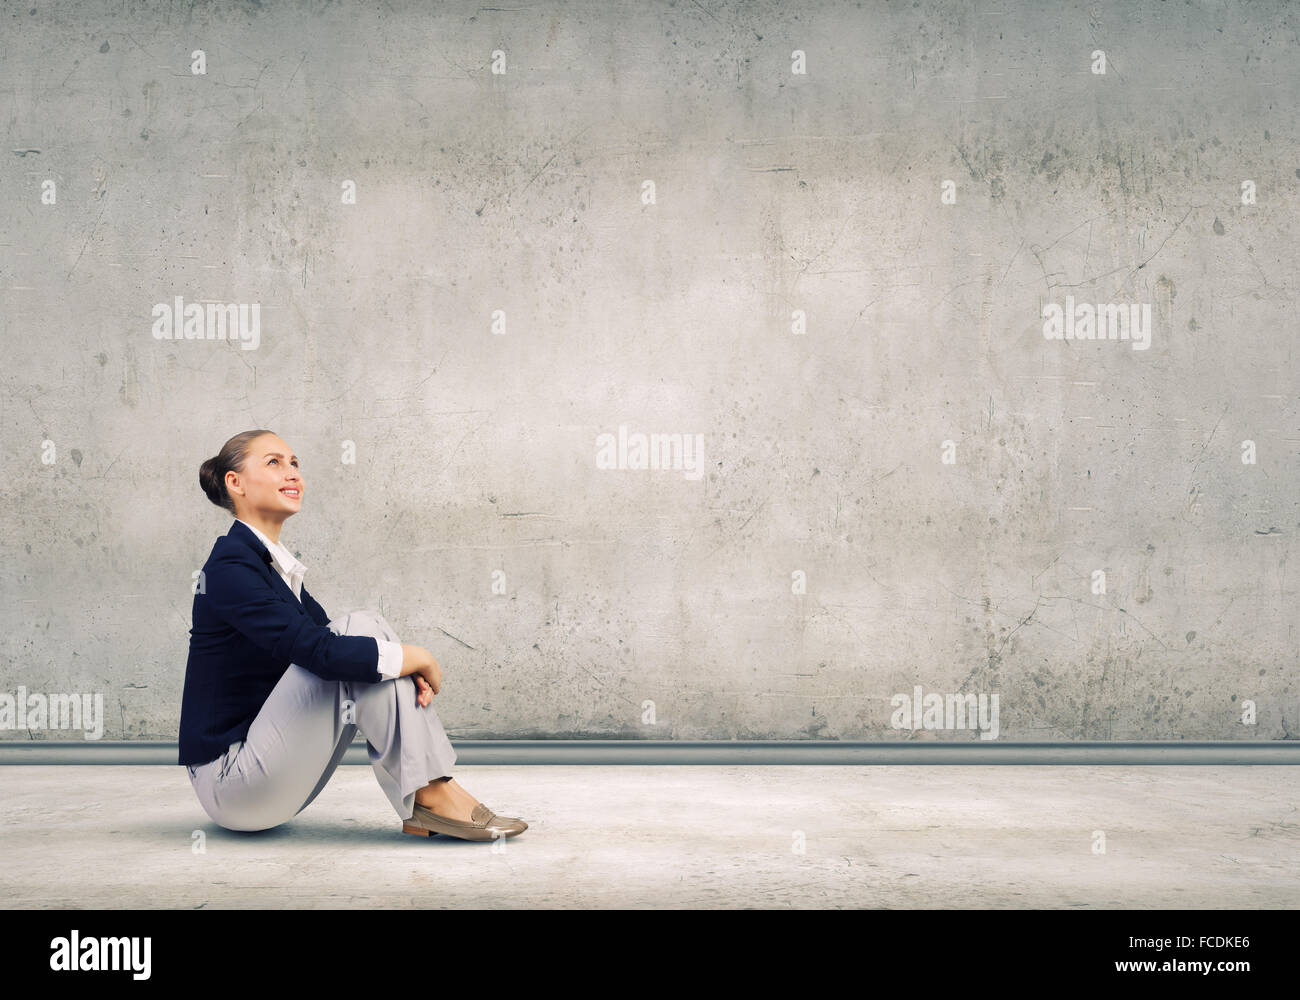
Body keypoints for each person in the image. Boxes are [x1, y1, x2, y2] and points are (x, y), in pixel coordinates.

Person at [178, 428, 527, 842]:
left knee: (366, 643)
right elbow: (323, 653)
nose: (292, 474)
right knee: (359, 632)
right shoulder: (229, 567)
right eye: (274, 463)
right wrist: (418, 658)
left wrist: (396, 665)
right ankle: (431, 794)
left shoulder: (270, 570)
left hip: (266, 775)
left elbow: (340, 656)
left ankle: (430, 795)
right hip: (232, 783)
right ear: (234, 483)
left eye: (295, 464)